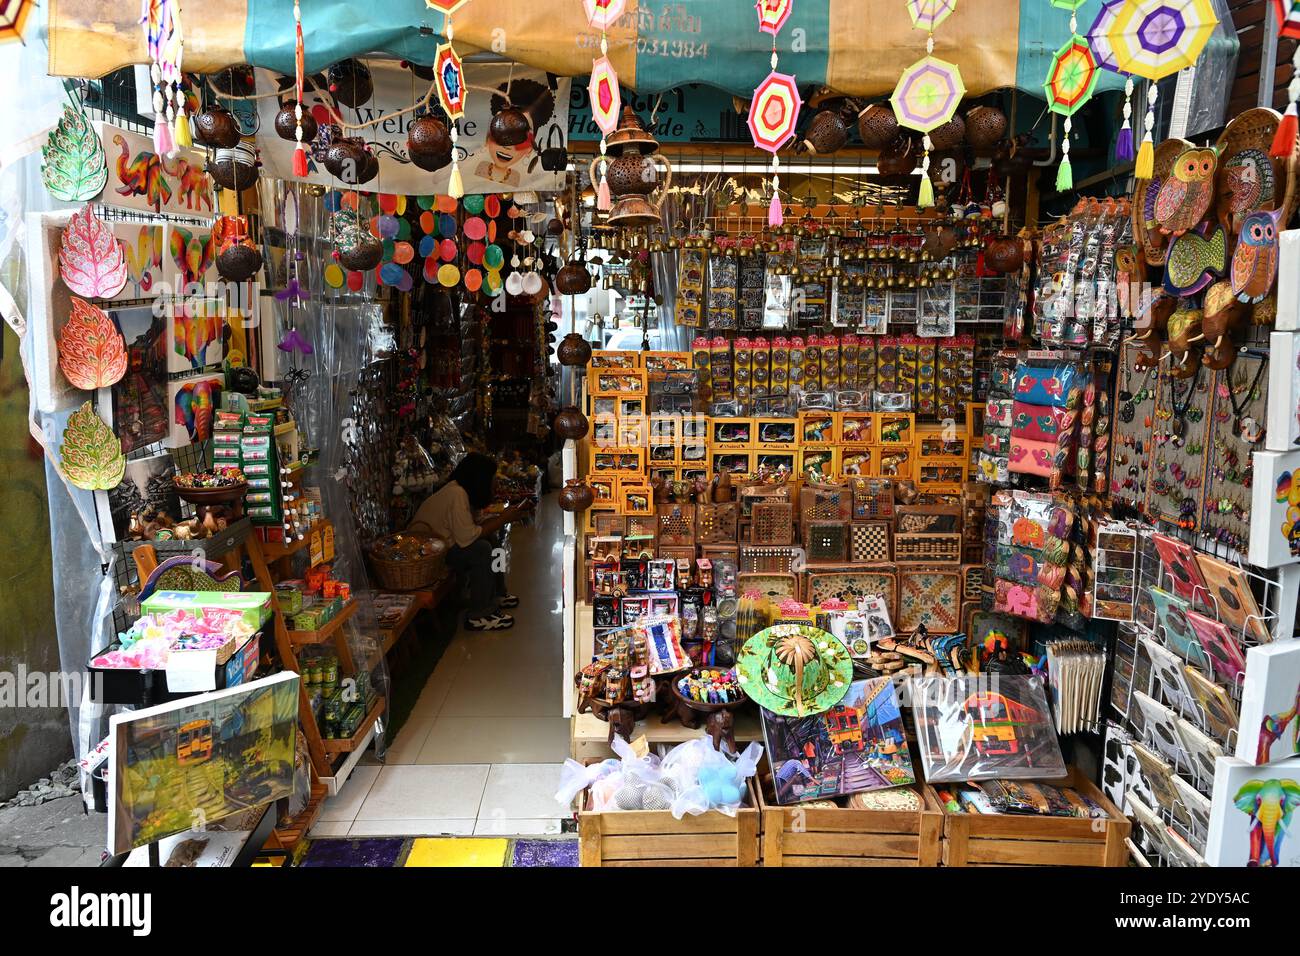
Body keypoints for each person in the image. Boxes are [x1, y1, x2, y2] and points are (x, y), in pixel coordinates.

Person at [411, 453, 533, 631]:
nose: (494, 483)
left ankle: (498, 593)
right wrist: (503, 519)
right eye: (491, 479)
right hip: (429, 554)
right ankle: (479, 613)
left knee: (492, 542)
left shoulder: (462, 491)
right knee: (482, 550)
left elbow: (472, 527)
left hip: (444, 545)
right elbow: (468, 538)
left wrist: (499, 518)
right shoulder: (457, 493)